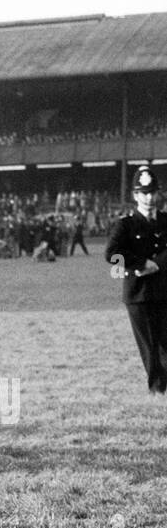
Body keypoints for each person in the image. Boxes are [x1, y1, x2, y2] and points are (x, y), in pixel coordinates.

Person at [105, 165, 167, 393]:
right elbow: (111, 254)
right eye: (143, 193)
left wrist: (156, 264)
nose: (149, 198)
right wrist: (139, 264)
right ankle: (158, 388)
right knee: (149, 345)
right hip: (138, 293)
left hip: (163, 289)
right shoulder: (126, 224)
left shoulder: (165, 220)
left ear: (158, 193)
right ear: (135, 195)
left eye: (152, 192)